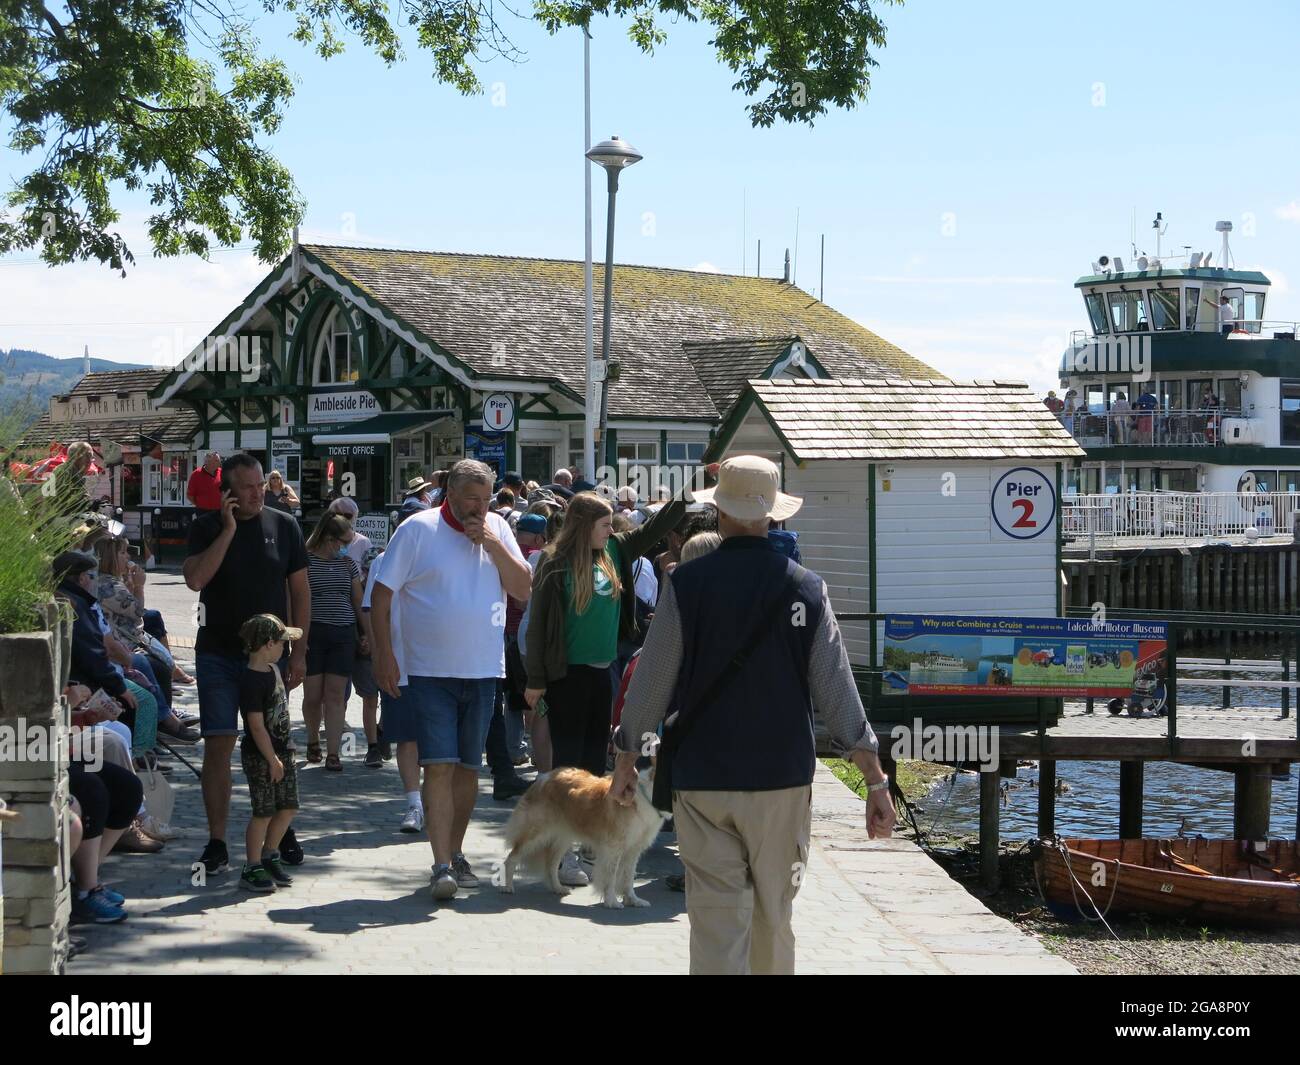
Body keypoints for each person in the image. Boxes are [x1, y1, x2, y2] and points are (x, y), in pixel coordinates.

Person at [610, 455, 894, 975]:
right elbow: (836, 689)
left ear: (718, 511)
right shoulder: (806, 588)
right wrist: (874, 781)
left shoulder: (687, 586)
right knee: (773, 914)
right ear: (773, 516)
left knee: (717, 919)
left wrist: (626, 758)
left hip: (703, 777)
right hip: (780, 776)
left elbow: (651, 682)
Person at [371, 459, 532, 901]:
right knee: (437, 766)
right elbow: (382, 595)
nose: (478, 509)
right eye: (469, 500)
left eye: (484, 500)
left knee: (467, 771)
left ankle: (457, 853)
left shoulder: (499, 528)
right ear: (450, 495)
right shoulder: (418, 529)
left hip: (483, 671)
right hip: (427, 672)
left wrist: (494, 545)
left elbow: (522, 588)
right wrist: (385, 655)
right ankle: (440, 863)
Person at [523, 484, 690, 884]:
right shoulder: (554, 562)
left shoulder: (615, 550)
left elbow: (656, 526)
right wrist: (535, 680)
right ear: (582, 526)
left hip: (603, 670)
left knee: (596, 763)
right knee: (567, 764)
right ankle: (559, 855)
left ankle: (584, 843)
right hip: (566, 675)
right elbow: (539, 624)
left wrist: (686, 493)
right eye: (602, 523)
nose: (609, 529)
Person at [184, 453, 310, 875]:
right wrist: (229, 530)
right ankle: (217, 840)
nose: (258, 493)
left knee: (272, 745)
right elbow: (196, 579)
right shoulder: (206, 526)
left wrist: (300, 652)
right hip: (217, 653)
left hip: (269, 658)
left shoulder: (285, 525)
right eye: (248, 488)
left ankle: (277, 830)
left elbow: (300, 592)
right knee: (219, 744)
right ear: (229, 493)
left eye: (261, 485)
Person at [236, 614, 303, 893]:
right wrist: (271, 759)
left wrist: (285, 750)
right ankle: (251, 866)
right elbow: (256, 725)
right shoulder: (251, 679)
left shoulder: (274, 670)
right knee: (263, 811)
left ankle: (270, 853)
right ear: (266, 644)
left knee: (288, 807)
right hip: (261, 755)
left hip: (283, 750)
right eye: (281, 643)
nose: (284, 649)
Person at [301, 512, 364, 769]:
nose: (347, 546)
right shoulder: (305, 562)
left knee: (336, 695)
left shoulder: (349, 564)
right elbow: (296, 598)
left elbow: (358, 601)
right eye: (343, 541)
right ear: (329, 539)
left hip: (343, 633)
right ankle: (313, 738)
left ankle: (334, 753)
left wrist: (366, 632)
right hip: (313, 633)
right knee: (313, 695)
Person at [327, 496, 372, 570]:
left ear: (355, 517)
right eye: (338, 515)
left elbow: (371, 573)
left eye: (348, 516)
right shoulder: (321, 540)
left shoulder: (364, 542)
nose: (342, 519)